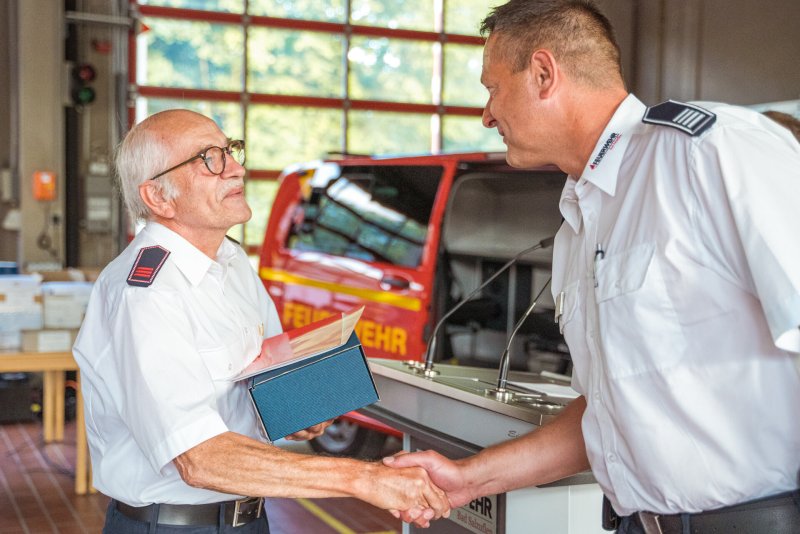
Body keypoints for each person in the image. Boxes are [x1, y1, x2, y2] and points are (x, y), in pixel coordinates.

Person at [384, 1, 800, 532]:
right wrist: (468, 479)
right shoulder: (578, 227)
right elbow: (604, 415)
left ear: (542, 74)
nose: (486, 114)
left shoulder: (708, 153)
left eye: (492, 88)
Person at [72, 109, 449, 533]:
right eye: (209, 159)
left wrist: (302, 410)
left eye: (230, 150)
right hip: (173, 525)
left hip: (247, 518)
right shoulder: (147, 294)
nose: (238, 168)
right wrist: (365, 478)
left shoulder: (232, 264)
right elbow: (199, 459)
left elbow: (262, 378)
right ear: (159, 197)